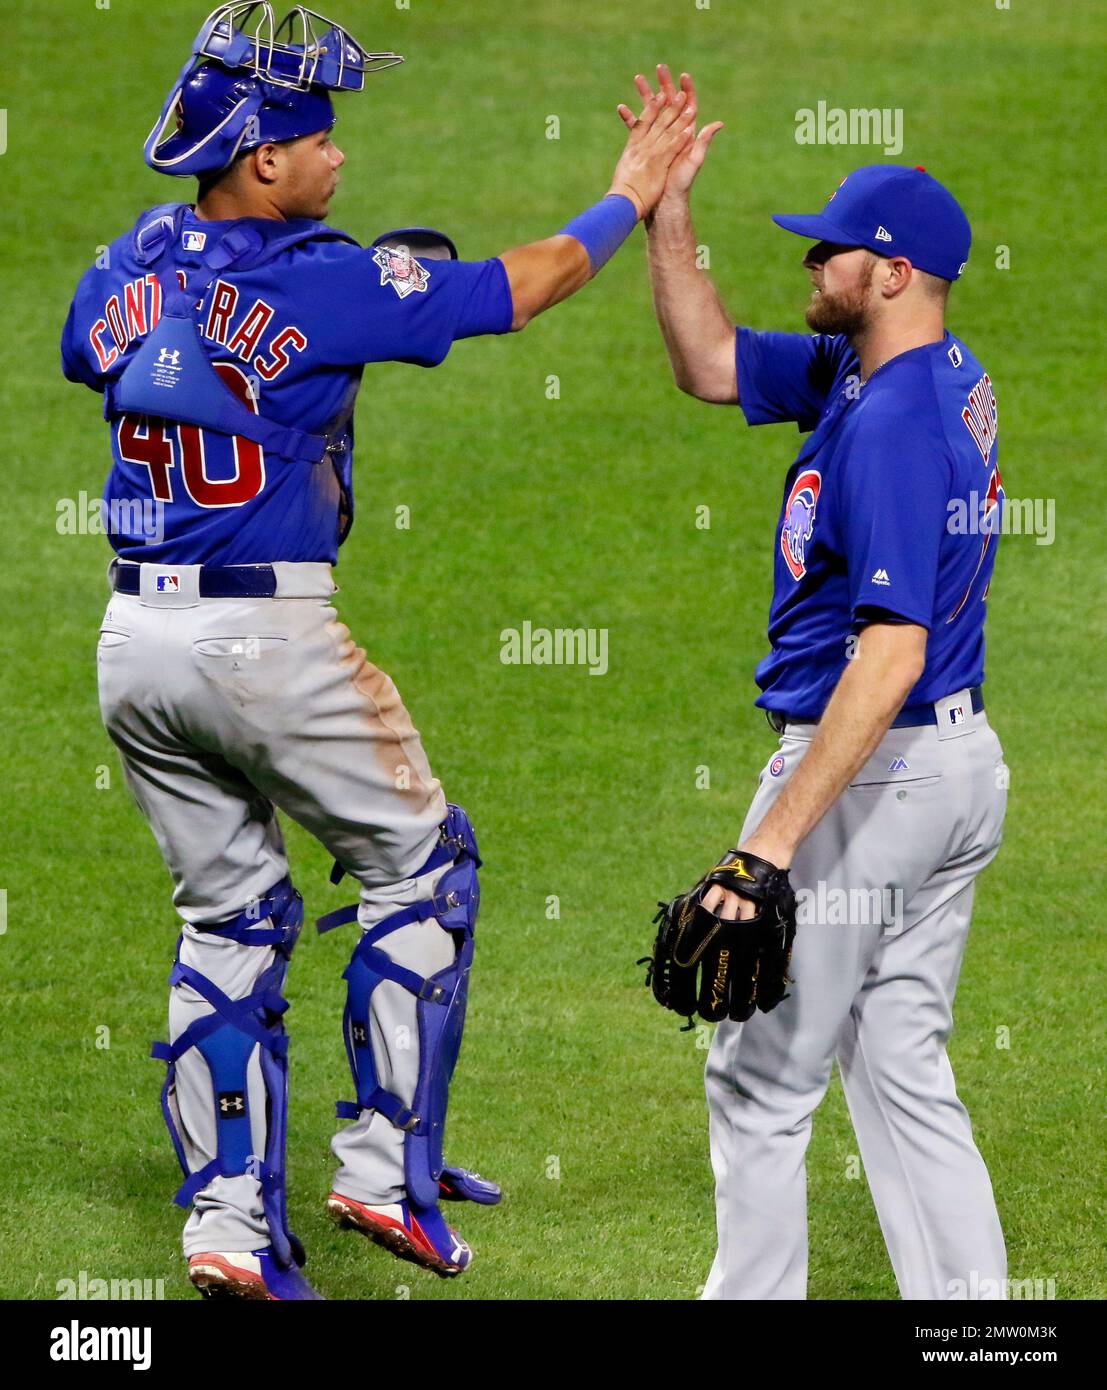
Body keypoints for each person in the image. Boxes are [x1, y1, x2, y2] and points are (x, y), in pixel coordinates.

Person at [61, 3, 696, 1300]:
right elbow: (518, 288)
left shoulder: (118, 266)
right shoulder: (322, 278)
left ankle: (226, 1229)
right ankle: (378, 1170)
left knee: (227, 915)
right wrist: (625, 197)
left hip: (133, 641)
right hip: (265, 634)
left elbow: (103, 352)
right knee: (422, 863)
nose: (337, 156)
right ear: (263, 164)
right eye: (314, 139)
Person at [630, 66, 1008, 1300]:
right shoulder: (893, 372)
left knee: (759, 1072)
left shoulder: (896, 420)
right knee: (899, 1061)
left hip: (873, 765)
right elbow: (708, 362)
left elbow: (886, 652)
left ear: (892, 273)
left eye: (833, 254)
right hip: (952, 766)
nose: (813, 267)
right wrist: (667, 208)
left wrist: (768, 852)